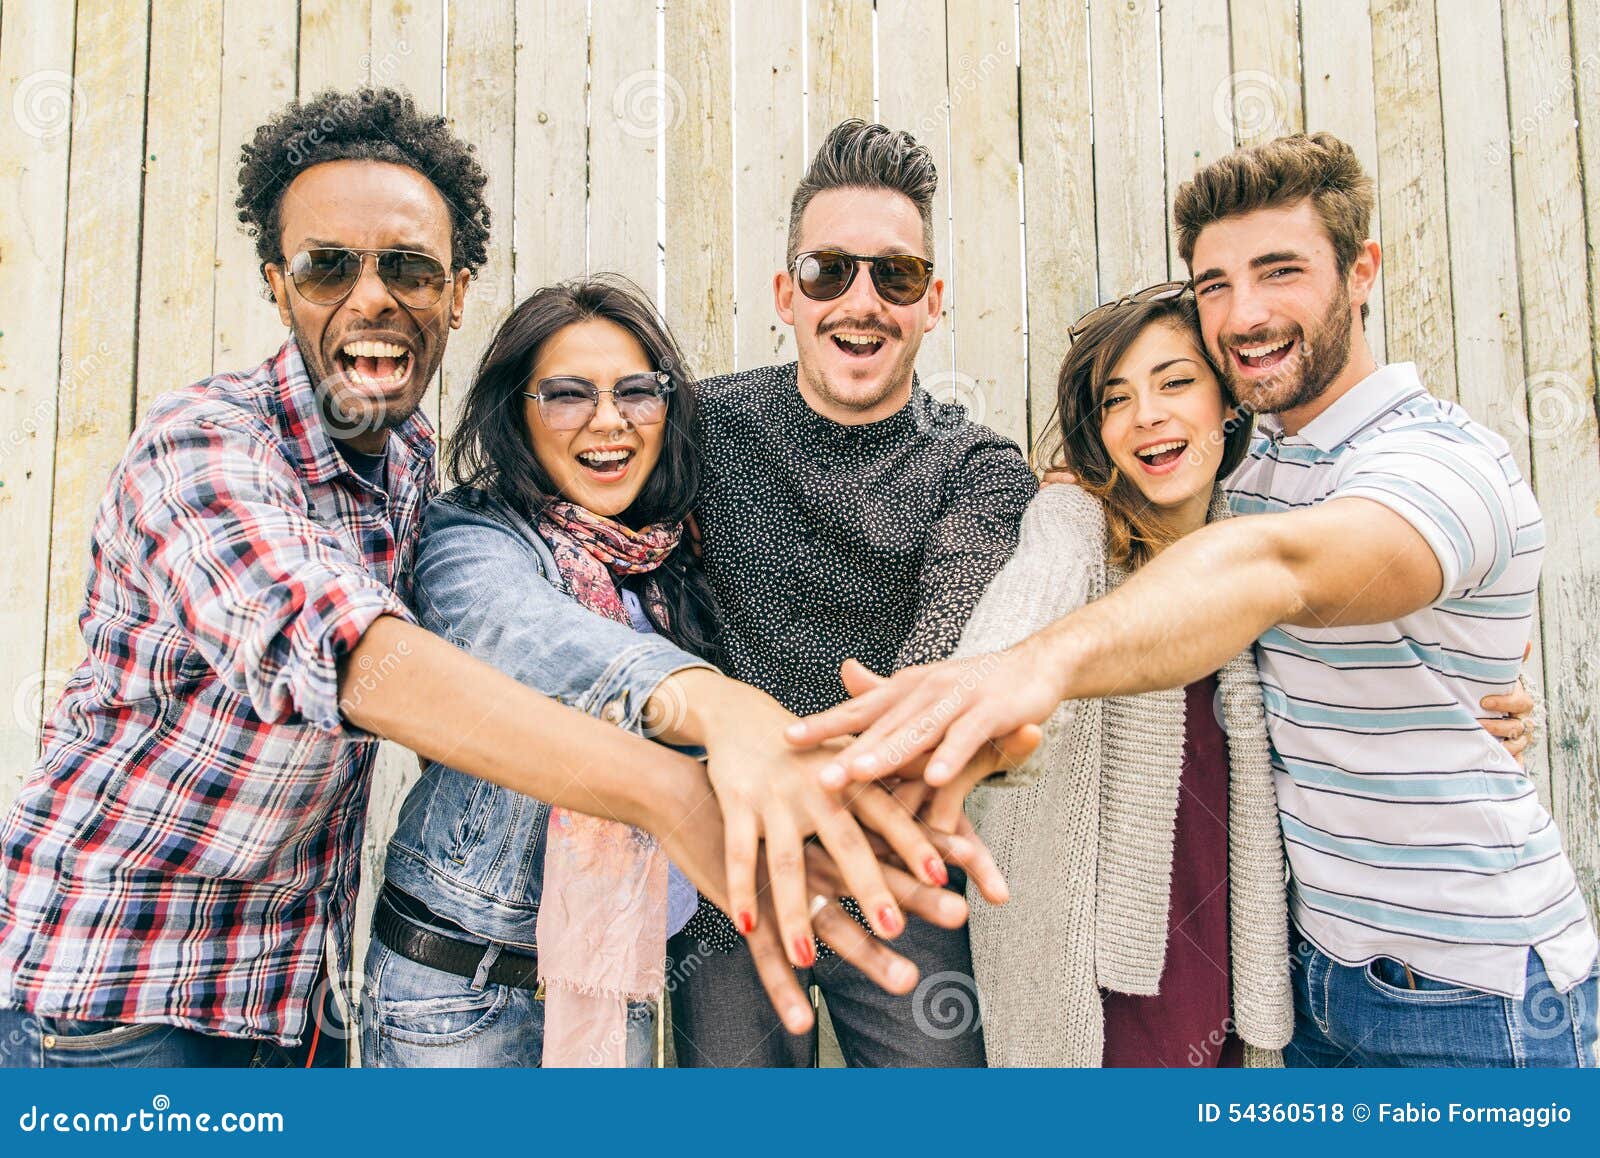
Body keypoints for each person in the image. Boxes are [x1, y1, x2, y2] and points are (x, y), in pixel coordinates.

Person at [0, 89, 1014, 1069]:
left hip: (321, 984)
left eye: (406, 267)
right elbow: (377, 648)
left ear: (452, 290)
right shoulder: (225, 453)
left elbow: (963, 618)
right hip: (117, 987)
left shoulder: (414, 467)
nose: (370, 297)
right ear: (275, 279)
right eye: (325, 266)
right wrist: (701, 741)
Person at [790, 131, 1598, 1068]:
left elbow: (1276, 571)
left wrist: (1034, 668)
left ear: (1362, 269)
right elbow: (1074, 572)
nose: (1245, 312)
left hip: (1472, 994)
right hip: (1315, 984)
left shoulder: (1439, 463)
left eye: (1280, 270)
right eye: (1216, 284)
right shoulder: (1253, 477)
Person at [360, 277, 997, 1067]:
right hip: (461, 990)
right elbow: (520, 631)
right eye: (565, 394)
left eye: (637, 392)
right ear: (516, 412)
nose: (608, 420)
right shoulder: (472, 535)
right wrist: (714, 706)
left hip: (619, 982)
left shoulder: (672, 556)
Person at [665, 119, 1038, 1068]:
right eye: (831, 271)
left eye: (896, 276)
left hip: (891, 846)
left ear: (933, 302)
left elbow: (931, 675)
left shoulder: (977, 470)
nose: (862, 301)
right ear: (787, 293)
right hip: (726, 861)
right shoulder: (696, 430)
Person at [952, 288, 1293, 1066]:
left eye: (1175, 383)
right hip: (1108, 973)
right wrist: (978, 693)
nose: (1146, 414)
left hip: (1234, 948)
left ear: (1226, 405)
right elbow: (1023, 607)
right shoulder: (1074, 528)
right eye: (1117, 399)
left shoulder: (1257, 549)